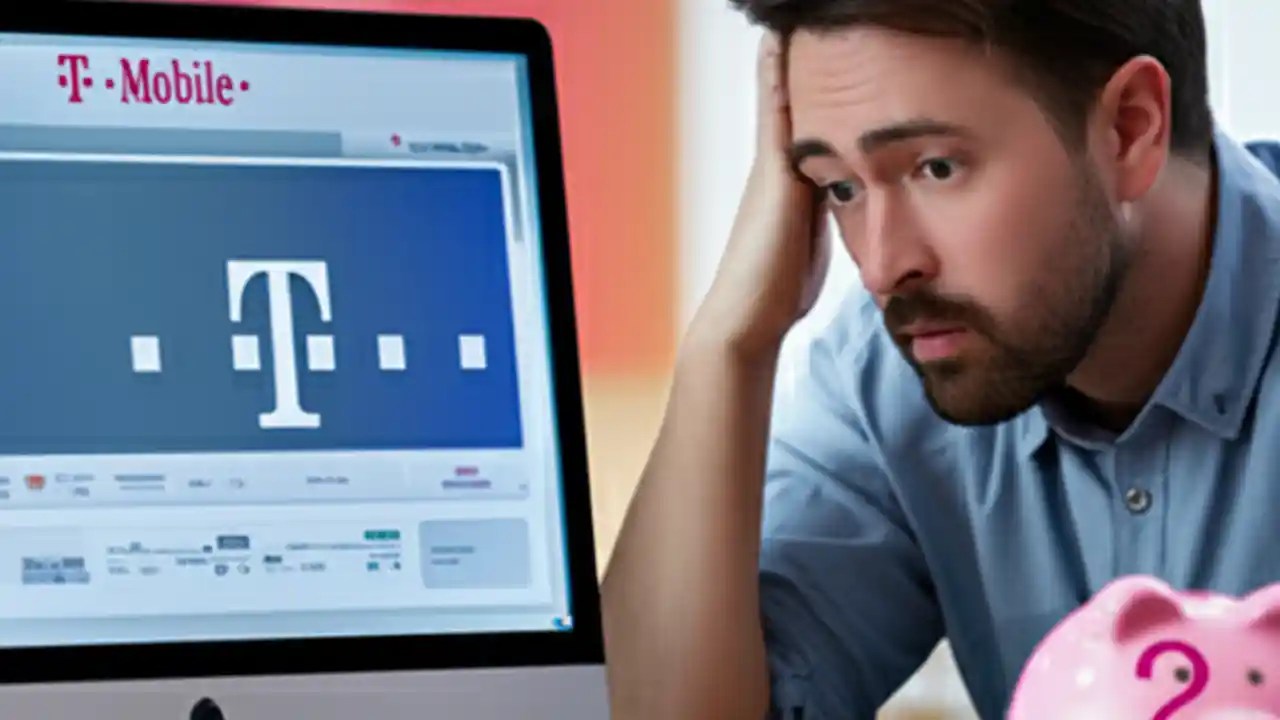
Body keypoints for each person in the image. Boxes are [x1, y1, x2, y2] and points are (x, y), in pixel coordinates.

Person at [600, 0, 1280, 718]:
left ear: (1129, 126)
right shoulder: (891, 378)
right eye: (841, 187)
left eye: (937, 167)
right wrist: (728, 347)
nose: (882, 266)